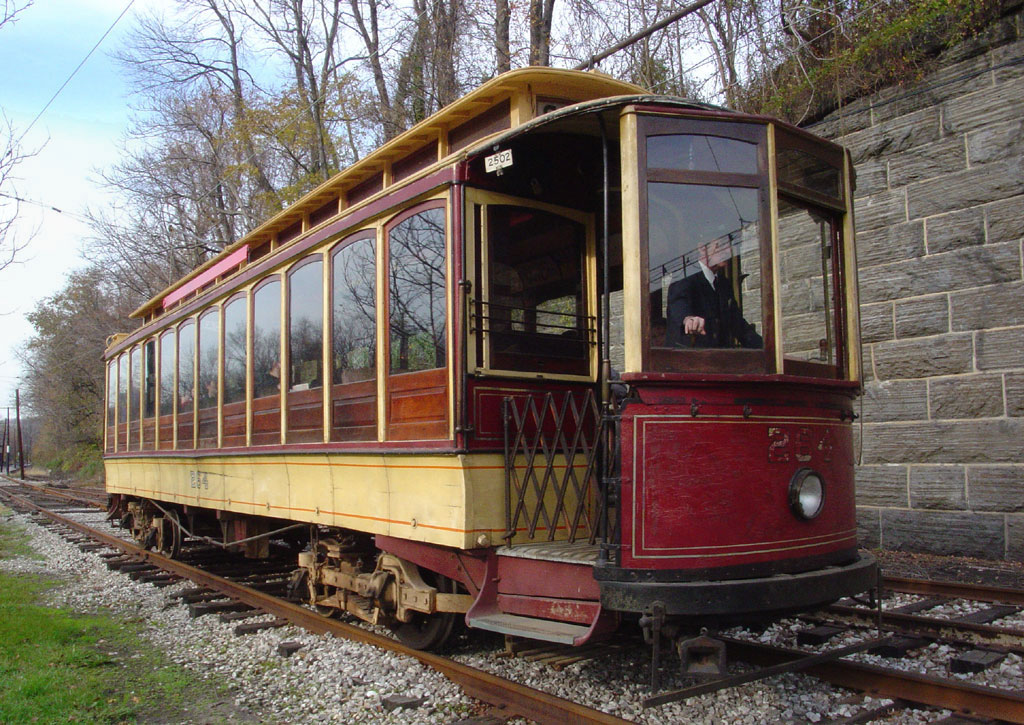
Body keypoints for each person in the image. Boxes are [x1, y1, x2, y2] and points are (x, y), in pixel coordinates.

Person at [664, 236, 762, 349]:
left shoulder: (723, 284)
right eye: (720, 245)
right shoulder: (684, 274)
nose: (728, 251)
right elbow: (678, 302)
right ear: (702, 249)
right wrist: (688, 319)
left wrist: (768, 350)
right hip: (689, 359)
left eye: (729, 245)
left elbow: (738, 324)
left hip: (718, 360)